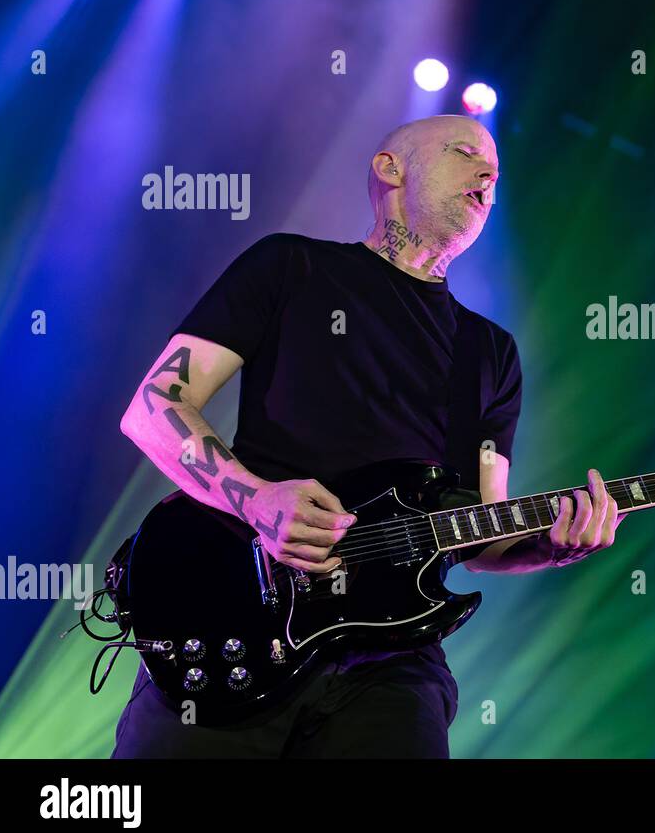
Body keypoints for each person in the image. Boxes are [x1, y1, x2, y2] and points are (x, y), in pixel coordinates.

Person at [111, 114, 623, 757]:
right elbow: (154, 406)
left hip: (393, 663)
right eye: (465, 153)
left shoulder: (489, 351)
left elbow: (484, 535)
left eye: (495, 169)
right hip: (236, 614)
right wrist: (258, 500)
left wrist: (553, 547)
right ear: (390, 169)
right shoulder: (290, 266)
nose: (488, 174)